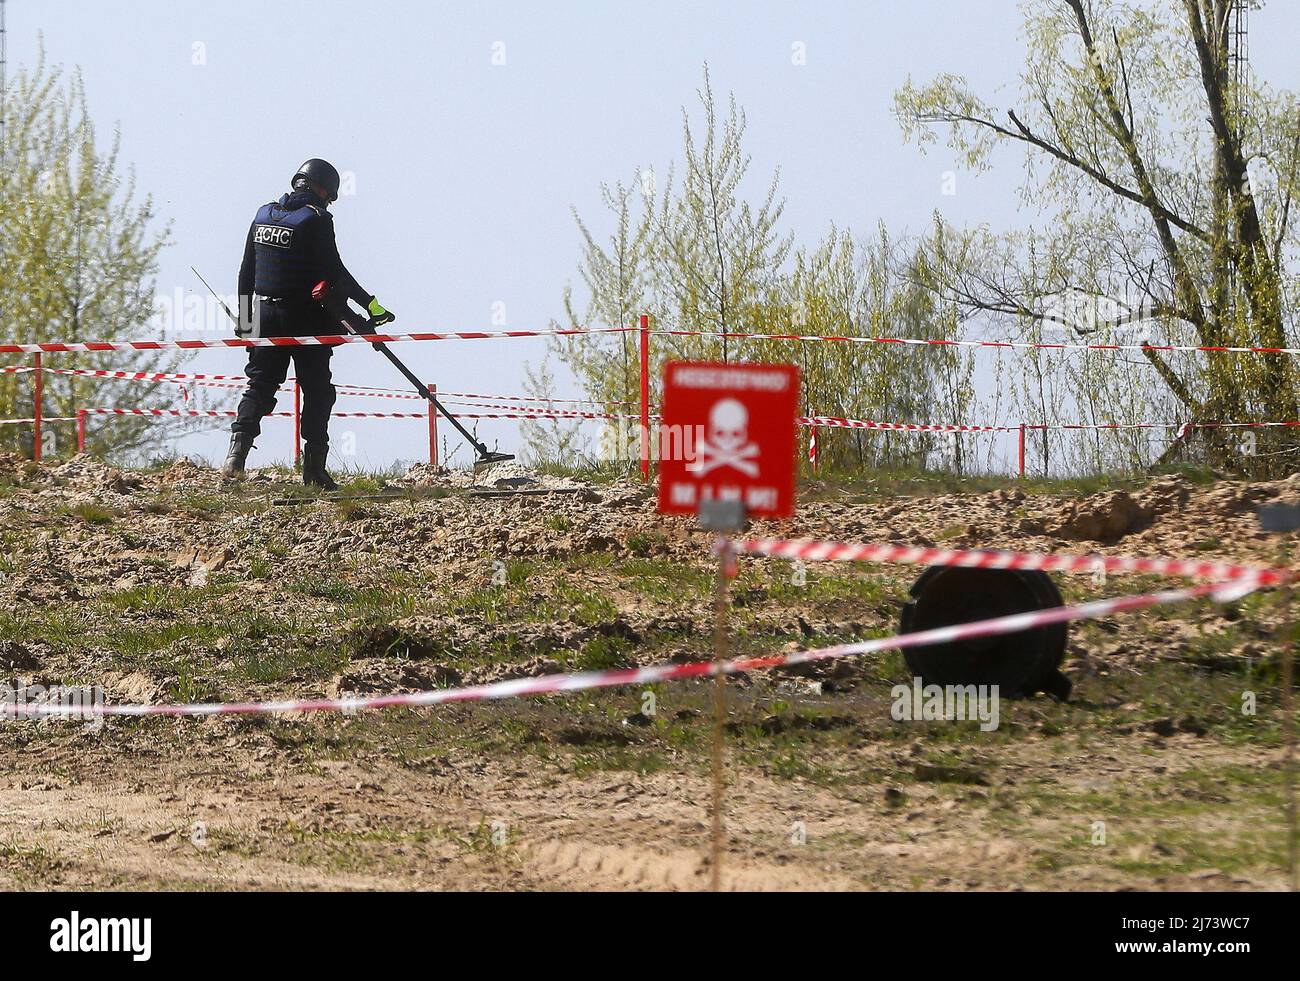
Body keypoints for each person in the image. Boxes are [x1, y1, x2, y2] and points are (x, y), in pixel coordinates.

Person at [221, 158, 395, 489]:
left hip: (264, 315)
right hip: (306, 319)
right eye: (330, 196)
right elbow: (336, 273)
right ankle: (314, 472)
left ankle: (235, 459)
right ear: (322, 190)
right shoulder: (317, 220)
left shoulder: (262, 215)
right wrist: (370, 304)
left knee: (259, 387)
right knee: (318, 392)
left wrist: (245, 319)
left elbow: (246, 270)